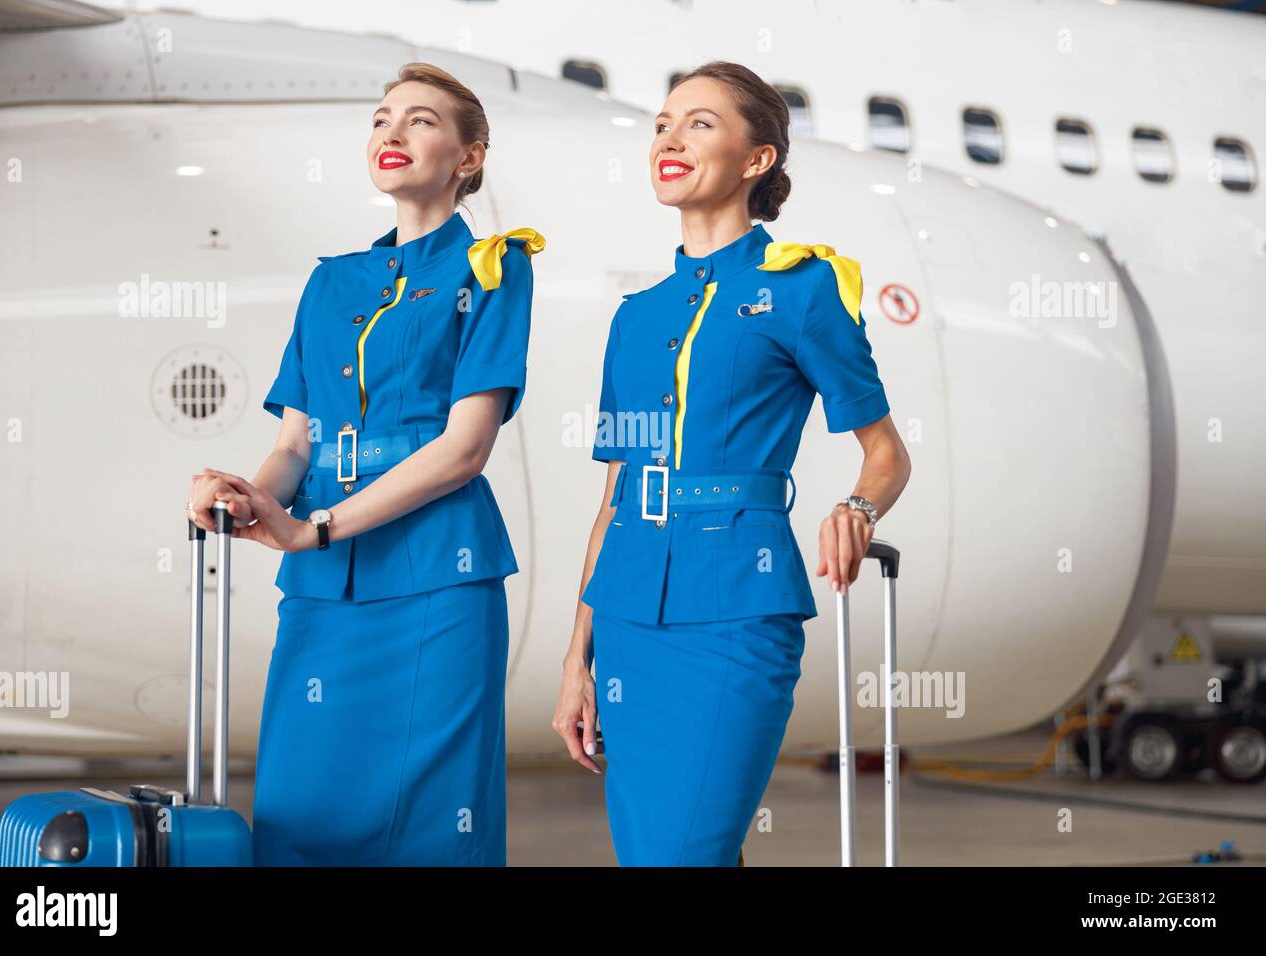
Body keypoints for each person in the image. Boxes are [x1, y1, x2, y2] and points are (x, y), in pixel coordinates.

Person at [552, 61, 911, 866]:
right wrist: (577, 659)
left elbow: (885, 452)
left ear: (759, 160)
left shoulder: (805, 289)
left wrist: (857, 508)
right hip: (628, 615)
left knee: (683, 851)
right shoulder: (635, 319)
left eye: (700, 124)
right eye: (662, 125)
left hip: (738, 610)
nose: (670, 140)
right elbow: (614, 497)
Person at [186, 62, 544, 865]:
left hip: (437, 580)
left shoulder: (493, 269)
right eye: (382, 118)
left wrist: (313, 527)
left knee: (433, 825)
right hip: (322, 587)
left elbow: (465, 449)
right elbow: (295, 447)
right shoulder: (330, 283)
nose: (392, 131)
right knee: (297, 816)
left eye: (420, 121)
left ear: (468, 158)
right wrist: (246, 496)